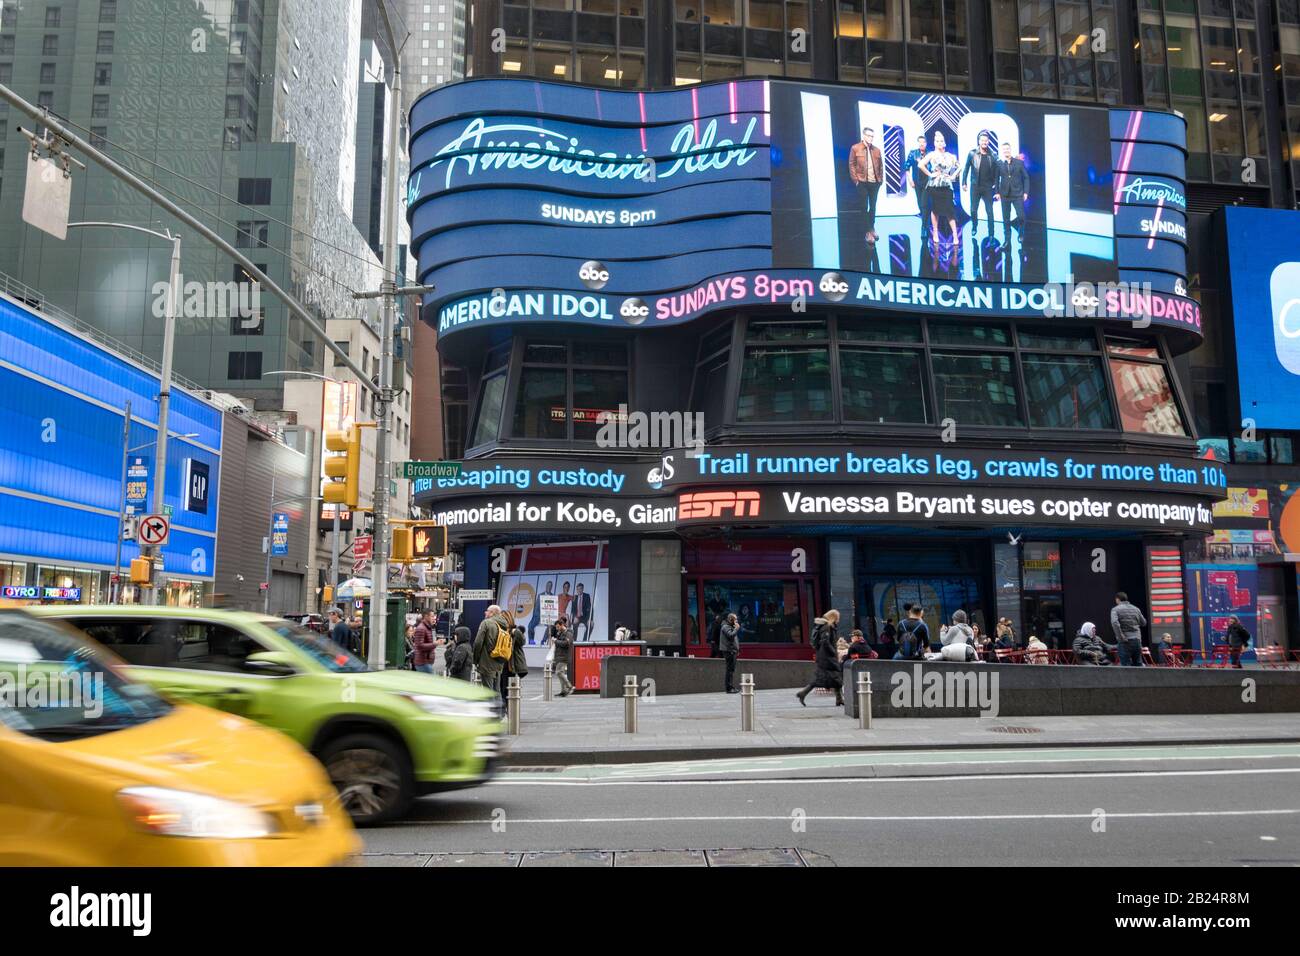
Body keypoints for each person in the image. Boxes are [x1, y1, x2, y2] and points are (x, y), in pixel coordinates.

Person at [919, 131, 960, 259]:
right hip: (934, 186)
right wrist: (930, 174)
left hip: (947, 186)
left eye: (941, 141)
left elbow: (959, 167)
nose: (939, 143)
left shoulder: (951, 156)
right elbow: (920, 165)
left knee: (949, 212)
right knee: (935, 210)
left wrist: (953, 175)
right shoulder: (931, 154)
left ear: (945, 143)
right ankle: (935, 233)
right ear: (934, 143)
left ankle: (954, 235)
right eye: (937, 141)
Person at [797, 610, 843, 706]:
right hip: (827, 657)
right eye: (838, 617)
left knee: (835, 677)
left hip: (825, 656)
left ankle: (839, 699)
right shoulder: (827, 627)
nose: (839, 619)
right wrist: (833, 652)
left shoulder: (827, 626)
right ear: (833, 617)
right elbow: (825, 642)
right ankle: (802, 693)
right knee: (827, 678)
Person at [849, 126, 885, 244]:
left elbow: (880, 166)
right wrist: (856, 180)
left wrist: (880, 180)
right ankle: (867, 232)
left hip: (874, 182)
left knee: (873, 207)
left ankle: (872, 228)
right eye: (869, 136)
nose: (871, 138)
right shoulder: (855, 148)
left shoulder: (877, 150)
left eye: (872, 136)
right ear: (864, 136)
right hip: (862, 182)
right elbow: (851, 164)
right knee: (864, 207)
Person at [994, 140, 1028, 260]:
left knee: (1021, 216)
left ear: (1010, 150)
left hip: (1017, 194)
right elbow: (996, 178)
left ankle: (1021, 233)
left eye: (1007, 149)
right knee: (1006, 219)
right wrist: (997, 192)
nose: (1006, 151)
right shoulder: (1000, 164)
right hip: (1005, 195)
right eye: (1004, 150)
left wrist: (1025, 192)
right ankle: (1007, 241)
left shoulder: (1019, 163)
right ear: (1002, 151)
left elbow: (1026, 177)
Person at [961, 130, 998, 239]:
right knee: (973, 209)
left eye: (986, 141)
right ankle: (974, 226)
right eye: (982, 140)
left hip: (987, 187)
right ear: (979, 141)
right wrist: (963, 182)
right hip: (975, 186)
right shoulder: (972, 153)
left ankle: (991, 233)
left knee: (990, 212)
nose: (984, 142)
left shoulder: (993, 155)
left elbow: (996, 173)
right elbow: (966, 168)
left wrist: (996, 187)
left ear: (988, 142)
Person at [473, 604, 514, 691]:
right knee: (497, 690)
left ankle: (492, 705)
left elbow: (478, 643)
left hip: (486, 662)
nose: (485, 612)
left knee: (488, 692)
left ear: (492, 613)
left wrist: (476, 660)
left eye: (487, 611)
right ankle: (498, 705)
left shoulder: (486, 623)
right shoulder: (505, 625)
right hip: (499, 662)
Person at [903, 134, 930, 241]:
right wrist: (910, 180)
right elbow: (906, 166)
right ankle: (925, 221)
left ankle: (924, 227)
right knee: (920, 204)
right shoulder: (913, 153)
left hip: (927, 183)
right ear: (918, 143)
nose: (922, 144)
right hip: (917, 182)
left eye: (923, 142)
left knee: (924, 204)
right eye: (920, 142)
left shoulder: (929, 154)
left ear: (926, 144)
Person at [1110, 591, 1147, 667]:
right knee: (1138, 665)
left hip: (1125, 641)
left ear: (1117, 599)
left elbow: (1115, 623)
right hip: (1137, 640)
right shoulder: (1136, 609)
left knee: (1126, 667)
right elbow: (1144, 623)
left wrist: (1120, 637)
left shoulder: (1115, 609)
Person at [500, 625, 530, 704]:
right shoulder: (502, 632)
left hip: (509, 665)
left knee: (506, 687)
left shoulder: (515, 633)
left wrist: (515, 631)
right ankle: (504, 704)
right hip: (501, 664)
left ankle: (506, 706)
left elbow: (522, 641)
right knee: (501, 686)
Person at [549, 617, 574, 695]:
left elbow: (566, 644)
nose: (557, 629)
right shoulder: (560, 633)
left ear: (562, 625)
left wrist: (556, 641)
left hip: (564, 656)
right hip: (559, 656)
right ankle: (563, 691)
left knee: (559, 672)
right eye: (556, 627)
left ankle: (569, 686)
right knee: (561, 672)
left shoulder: (568, 633)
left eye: (558, 627)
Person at [411, 610, 441, 675]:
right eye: (432, 616)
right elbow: (419, 646)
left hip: (426, 662)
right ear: (426, 616)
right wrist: (435, 644)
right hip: (423, 663)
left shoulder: (427, 627)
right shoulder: (421, 628)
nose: (434, 618)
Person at [719, 612, 741, 694]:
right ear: (730, 619)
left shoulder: (730, 626)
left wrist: (737, 650)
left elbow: (734, 640)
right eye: (735, 619)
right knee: (729, 670)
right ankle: (729, 688)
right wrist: (736, 629)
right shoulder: (725, 627)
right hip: (729, 651)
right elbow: (731, 635)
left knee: (731, 670)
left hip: (732, 651)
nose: (737, 621)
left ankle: (731, 687)